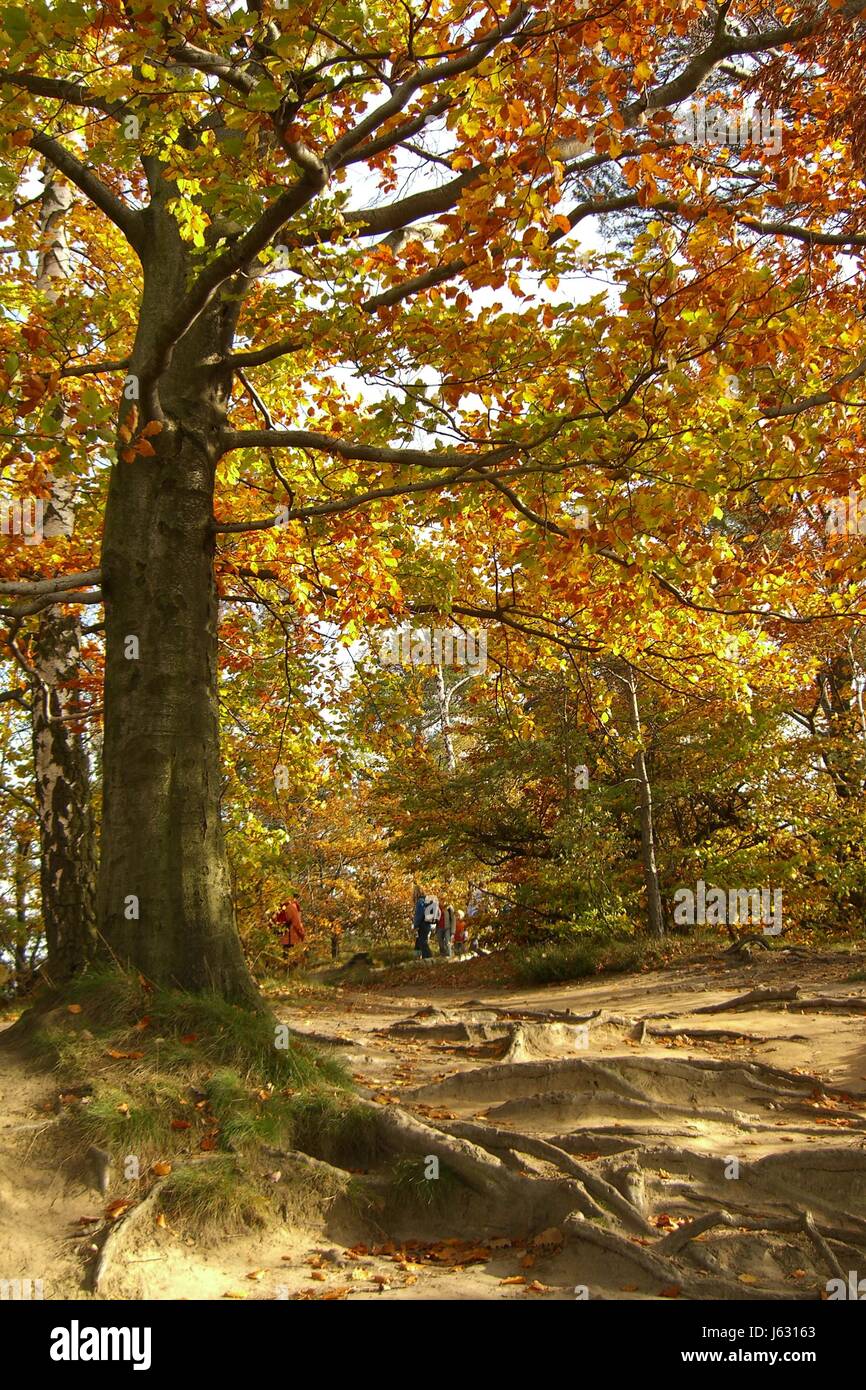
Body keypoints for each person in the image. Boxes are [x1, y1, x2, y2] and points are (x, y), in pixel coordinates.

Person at [272, 895, 305, 963]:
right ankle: (292, 971)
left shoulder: (281, 907)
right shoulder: (293, 907)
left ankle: (286, 970)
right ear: (296, 898)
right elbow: (297, 923)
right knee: (293, 958)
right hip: (292, 937)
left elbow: (274, 920)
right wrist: (302, 934)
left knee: (284, 957)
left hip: (282, 936)